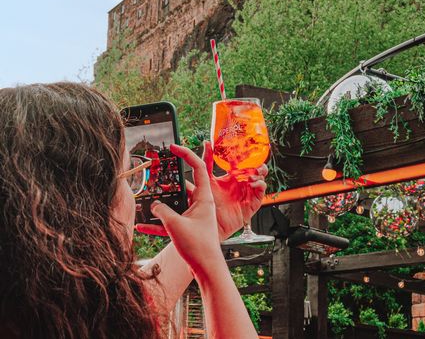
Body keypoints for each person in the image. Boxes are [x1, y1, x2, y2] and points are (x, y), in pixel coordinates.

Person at [0, 82, 267, 338]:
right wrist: (209, 262)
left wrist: (213, 228)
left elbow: (128, 312)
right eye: (129, 176)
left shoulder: (29, 308)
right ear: (84, 205)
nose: (134, 194)